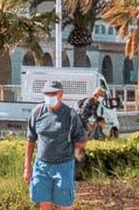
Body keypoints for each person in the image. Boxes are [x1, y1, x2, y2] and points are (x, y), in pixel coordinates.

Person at [26, 81, 87, 210]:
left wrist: (79, 144)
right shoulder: (37, 112)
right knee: (44, 204)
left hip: (63, 166)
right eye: (47, 93)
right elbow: (31, 140)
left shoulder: (70, 115)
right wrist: (27, 167)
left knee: (64, 205)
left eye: (53, 93)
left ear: (61, 94)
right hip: (42, 166)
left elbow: (81, 140)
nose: (50, 96)